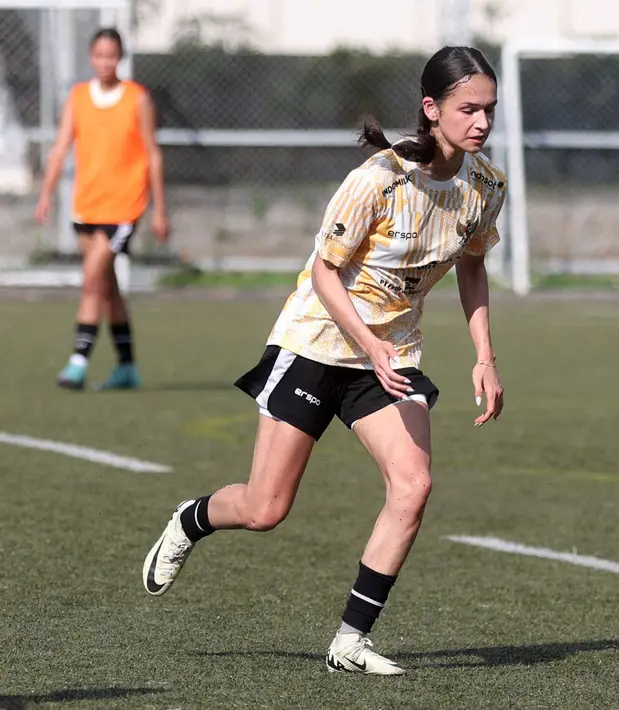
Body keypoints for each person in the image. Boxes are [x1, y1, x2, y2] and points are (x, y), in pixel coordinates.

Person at [140, 46, 506, 675]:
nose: (481, 122)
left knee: (413, 486)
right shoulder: (380, 180)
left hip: (388, 359)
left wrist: (484, 355)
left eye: (489, 110)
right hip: (318, 343)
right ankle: (192, 518)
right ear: (431, 109)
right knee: (265, 509)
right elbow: (325, 273)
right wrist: (369, 344)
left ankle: (349, 643)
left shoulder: (485, 187)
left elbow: (471, 266)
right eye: (467, 108)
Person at [36, 28, 170, 391]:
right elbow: (61, 144)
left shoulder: (137, 99)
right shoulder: (78, 97)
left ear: (120, 57)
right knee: (106, 286)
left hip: (124, 205)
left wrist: (159, 210)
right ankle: (127, 367)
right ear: (91, 57)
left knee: (92, 278)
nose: (105, 62)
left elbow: (153, 153)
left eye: (111, 55)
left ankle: (78, 363)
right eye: (99, 55)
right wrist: (46, 193)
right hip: (87, 205)